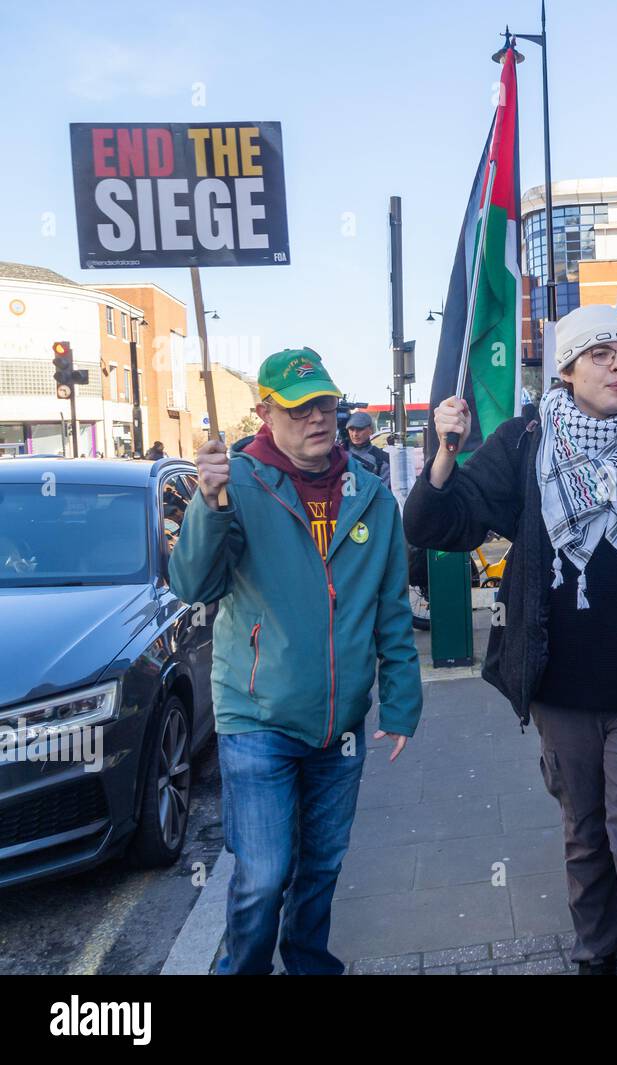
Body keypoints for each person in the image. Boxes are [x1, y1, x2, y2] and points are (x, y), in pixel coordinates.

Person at [402, 304, 617, 975]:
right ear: (566, 368)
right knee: (586, 841)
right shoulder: (525, 442)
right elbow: (436, 524)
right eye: (601, 353)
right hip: (559, 689)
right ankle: (595, 957)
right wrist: (443, 453)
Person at [169, 347, 422, 976]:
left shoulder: (371, 495)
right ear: (265, 411)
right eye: (299, 407)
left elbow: (391, 607)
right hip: (258, 716)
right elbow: (193, 586)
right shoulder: (238, 482)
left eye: (326, 405)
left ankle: (309, 963)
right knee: (263, 873)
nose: (317, 418)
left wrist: (402, 702)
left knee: (322, 864)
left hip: (340, 723)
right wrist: (207, 504)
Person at [344, 410, 391, 487]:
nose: (355, 434)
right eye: (351, 429)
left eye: (360, 429)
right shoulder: (338, 454)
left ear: (370, 430)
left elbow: (384, 493)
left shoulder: (382, 458)